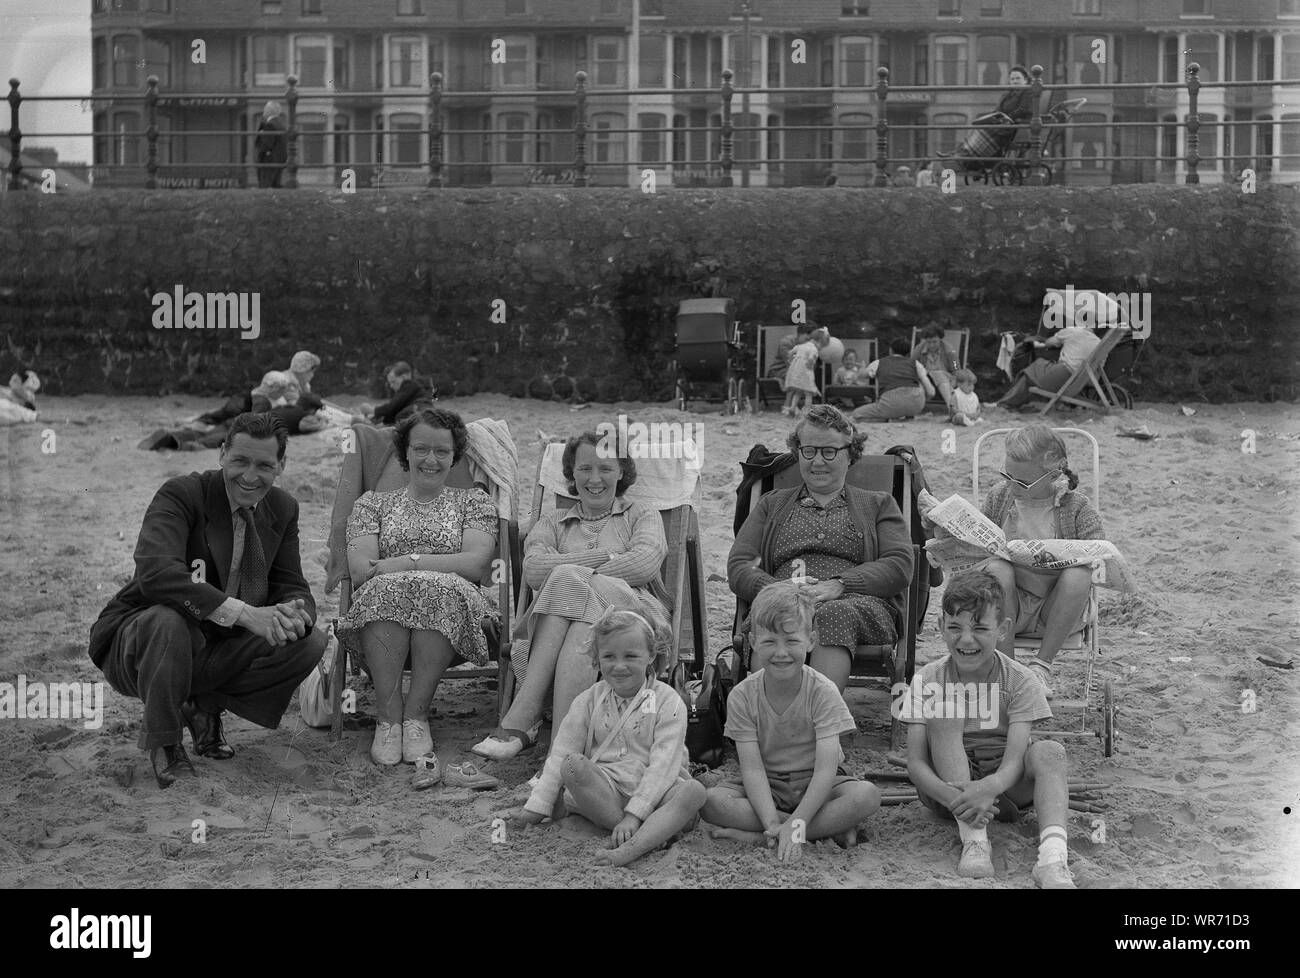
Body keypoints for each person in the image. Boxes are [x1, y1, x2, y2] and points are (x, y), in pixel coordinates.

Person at [88, 413, 326, 789]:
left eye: (265, 465)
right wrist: (245, 614)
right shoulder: (182, 494)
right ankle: (166, 743)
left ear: (282, 465)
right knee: (168, 622)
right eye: (240, 461)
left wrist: (295, 613)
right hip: (141, 643)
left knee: (309, 640)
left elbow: (291, 583)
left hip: (216, 646)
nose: (250, 476)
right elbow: (156, 575)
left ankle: (203, 707)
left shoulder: (282, 507)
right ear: (221, 453)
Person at [473, 429, 670, 761]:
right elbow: (533, 569)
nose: (595, 478)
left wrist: (569, 569)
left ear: (621, 472)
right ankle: (564, 748)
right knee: (582, 620)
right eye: (585, 469)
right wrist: (606, 559)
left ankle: (525, 713)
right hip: (578, 622)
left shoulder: (641, 514)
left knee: (564, 578)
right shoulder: (553, 520)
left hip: (637, 616)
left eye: (606, 468)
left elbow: (644, 565)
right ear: (572, 473)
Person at [337, 406, 499, 767]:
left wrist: (404, 563)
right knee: (387, 591)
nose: (431, 459)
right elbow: (362, 569)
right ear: (405, 452)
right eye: (421, 448)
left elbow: (474, 563)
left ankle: (416, 716)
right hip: (382, 607)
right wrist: (420, 571)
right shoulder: (371, 505)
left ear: (454, 455)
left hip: (456, 614)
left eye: (442, 451)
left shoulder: (473, 502)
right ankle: (389, 719)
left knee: (435, 590)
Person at [905, 569, 1073, 887]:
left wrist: (986, 788)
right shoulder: (927, 678)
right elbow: (915, 764)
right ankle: (975, 840)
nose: (966, 639)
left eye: (980, 628)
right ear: (940, 627)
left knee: (1050, 751)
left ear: (1002, 629)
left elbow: (1014, 759)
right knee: (943, 714)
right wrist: (961, 797)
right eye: (955, 627)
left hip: (1005, 788)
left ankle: (1053, 857)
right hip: (948, 793)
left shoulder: (1020, 679)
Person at [728, 405, 912, 693]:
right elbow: (740, 565)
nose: (817, 462)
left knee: (832, 614)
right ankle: (773, 720)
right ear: (797, 451)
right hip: (782, 596)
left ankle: (821, 721)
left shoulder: (878, 503)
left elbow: (900, 564)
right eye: (809, 450)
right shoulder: (771, 504)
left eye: (829, 452)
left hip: (856, 603)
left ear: (850, 454)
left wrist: (840, 584)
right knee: (778, 612)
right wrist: (777, 589)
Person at [510, 608, 706, 867]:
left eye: (631, 656)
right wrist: (538, 804)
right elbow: (561, 751)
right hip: (607, 790)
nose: (619, 665)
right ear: (597, 659)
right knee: (571, 764)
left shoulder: (668, 701)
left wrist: (634, 815)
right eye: (609, 656)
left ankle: (630, 847)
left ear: (650, 655)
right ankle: (650, 833)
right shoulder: (588, 699)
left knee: (694, 791)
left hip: (659, 792)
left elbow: (664, 764)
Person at [703, 583, 880, 860]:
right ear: (752, 643)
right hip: (768, 785)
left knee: (866, 795)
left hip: (817, 782)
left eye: (792, 641)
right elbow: (752, 770)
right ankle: (805, 830)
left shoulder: (822, 690)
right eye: (770, 642)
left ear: (810, 641)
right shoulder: (741, 696)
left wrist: (795, 824)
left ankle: (775, 834)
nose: (781, 653)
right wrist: (773, 823)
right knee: (712, 802)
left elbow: (825, 770)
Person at [961, 426, 1101, 696]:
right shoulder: (1001, 496)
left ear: (1053, 474)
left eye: (1022, 482)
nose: (1012, 485)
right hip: (1004, 605)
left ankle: (1041, 667)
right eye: (1007, 476)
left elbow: (1099, 552)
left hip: (1057, 610)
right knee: (997, 567)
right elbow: (976, 543)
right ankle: (1009, 670)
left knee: (1080, 574)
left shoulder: (1076, 506)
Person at [996, 311, 1101, 410]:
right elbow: (1099, 369)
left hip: (1064, 375)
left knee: (1032, 370)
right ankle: (1014, 401)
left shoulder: (1073, 331)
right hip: (1083, 381)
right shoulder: (1098, 342)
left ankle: (1006, 403)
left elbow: (1050, 343)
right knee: (1040, 370)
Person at [851, 337, 935, 423]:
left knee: (856, 414)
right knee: (916, 385)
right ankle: (907, 416)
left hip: (891, 403)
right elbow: (931, 392)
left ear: (891, 350)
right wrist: (921, 400)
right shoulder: (915, 363)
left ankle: (887, 418)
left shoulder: (879, 362)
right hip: (916, 404)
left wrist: (862, 368)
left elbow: (862, 375)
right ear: (908, 352)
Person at [360, 361, 432, 427]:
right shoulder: (413, 390)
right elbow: (395, 409)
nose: (391, 386)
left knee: (400, 416)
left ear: (404, 377)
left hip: (421, 414)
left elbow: (391, 407)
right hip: (425, 417)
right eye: (390, 383)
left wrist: (371, 410)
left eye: (393, 382)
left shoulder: (409, 385)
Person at [783, 325, 829, 417]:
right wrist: (810, 363)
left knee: (798, 391)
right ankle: (806, 412)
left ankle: (792, 407)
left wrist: (791, 359)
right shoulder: (814, 349)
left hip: (795, 372)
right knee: (809, 393)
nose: (820, 348)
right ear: (819, 342)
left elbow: (791, 352)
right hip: (805, 372)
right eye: (822, 346)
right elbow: (811, 358)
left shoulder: (801, 346)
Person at [911, 324, 959, 411]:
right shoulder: (918, 350)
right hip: (926, 381)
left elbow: (956, 368)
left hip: (945, 380)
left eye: (934, 342)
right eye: (929, 342)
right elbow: (912, 366)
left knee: (938, 374)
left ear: (940, 339)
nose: (932, 345)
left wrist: (953, 383)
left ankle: (952, 408)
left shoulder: (951, 351)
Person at [768, 323, 813, 390]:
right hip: (779, 371)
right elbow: (791, 364)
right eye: (807, 338)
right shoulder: (786, 343)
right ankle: (789, 400)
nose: (810, 340)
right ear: (800, 334)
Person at [254, 101, 288, 189]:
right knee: (275, 188)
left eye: (265, 109)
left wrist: (259, 158)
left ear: (269, 111)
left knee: (265, 187)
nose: (264, 111)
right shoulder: (282, 125)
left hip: (268, 163)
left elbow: (266, 146)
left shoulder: (270, 125)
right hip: (279, 162)